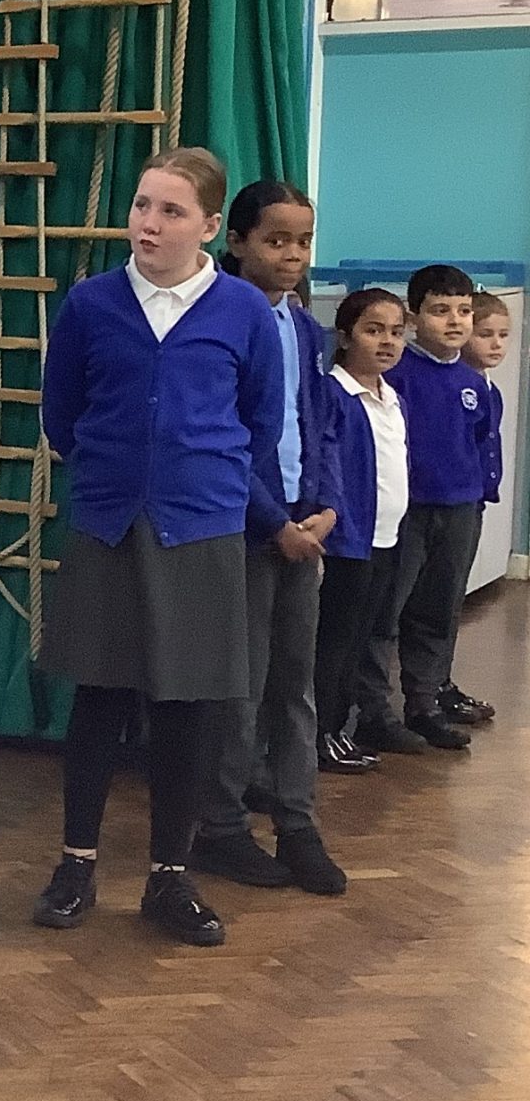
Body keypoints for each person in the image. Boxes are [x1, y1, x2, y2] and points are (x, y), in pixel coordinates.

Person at [32, 146, 286, 948]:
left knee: (189, 707)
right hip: (108, 520)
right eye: (143, 205)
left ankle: (170, 875)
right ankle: (76, 861)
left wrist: (196, 478)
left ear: (210, 227)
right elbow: (61, 415)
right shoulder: (92, 304)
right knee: (100, 698)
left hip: (202, 526)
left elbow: (259, 423)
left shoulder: (244, 313)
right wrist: (119, 471)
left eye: (170, 211)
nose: (148, 222)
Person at [191, 180, 347, 896]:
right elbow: (223, 442)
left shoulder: (307, 329)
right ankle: (220, 826)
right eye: (277, 240)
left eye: (303, 241)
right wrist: (272, 522)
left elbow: (319, 426)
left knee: (295, 682)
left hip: (300, 529)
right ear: (237, 241)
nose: (292, 255)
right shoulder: (221, 319)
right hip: (246, 529)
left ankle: (297, 821)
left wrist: (324, 507)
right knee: (239, 688)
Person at [369, 265, 499, 754]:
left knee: (440, 610)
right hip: (407, 511)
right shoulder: (398, 372)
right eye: (440, 310)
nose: (454, 321)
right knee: (388, 610)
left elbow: (481, 440)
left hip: (460, 508)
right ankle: (373, 710)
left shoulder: (473, 381)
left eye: (463, 311)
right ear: (414, 315)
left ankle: (424, 703)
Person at [314, 289, 412, 776]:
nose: (388, 342)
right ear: (346, 334)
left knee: (362, 641)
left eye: (397, 332)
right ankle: (321, 734)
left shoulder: (391, 397)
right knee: (335, 643)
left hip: (387, 540)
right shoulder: (335, 394)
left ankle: (343, 727)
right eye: (374, 330)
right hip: (349, 542)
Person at [441, 291, 512, 728]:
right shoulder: (453, 384)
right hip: (441, 503)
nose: (496, 344)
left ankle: (441, 682)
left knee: (451, 599)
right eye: (486, 334)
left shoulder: (491, 390)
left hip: (473, 499)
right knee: (431, 603)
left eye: (503, 335)